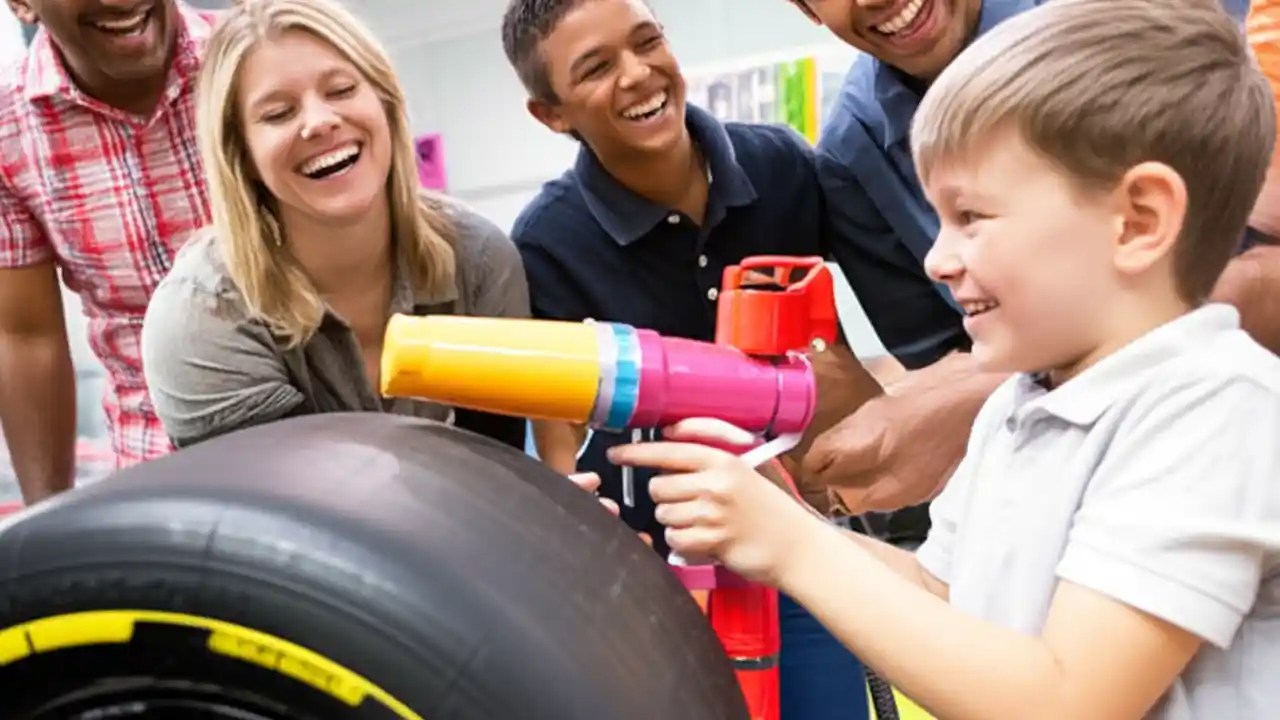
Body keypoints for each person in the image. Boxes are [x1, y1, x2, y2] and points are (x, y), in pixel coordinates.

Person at [612, 1, 1280, 718]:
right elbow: (940, 594)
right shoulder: (1018, 410)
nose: (936, 258)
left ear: (1138, 220)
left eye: (972, 219)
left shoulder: (1211, 406)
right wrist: (784, 521)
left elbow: (1068, 700)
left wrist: (794, 547)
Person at [499, 0, 883, 716]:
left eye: (647, 42)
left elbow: (843, 356)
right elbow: (560, 453)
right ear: (551, 114)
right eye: (597, 67)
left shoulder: (782, 167)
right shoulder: (548, 242)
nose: (638, 74)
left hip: (802, 548)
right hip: (657, 581)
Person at [781, 0, 1274, 530]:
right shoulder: (854, 152)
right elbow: (954, 365)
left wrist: (992, 389)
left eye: (973, 216)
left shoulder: (1161, 23)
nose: (939, 262)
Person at [141, 0, 529, 452]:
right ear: (242, 155)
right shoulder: (200, 321)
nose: (320, 122)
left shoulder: (480, 260)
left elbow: (499, 467)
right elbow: (282, 515)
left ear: (385, 103)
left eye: (342, 89)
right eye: (278, 113)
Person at [0, 0, 217, 504]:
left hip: (312, 431)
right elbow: (27, 337)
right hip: (156, 471)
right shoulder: (10, 130)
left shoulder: (253, 57)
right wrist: (46, 522)